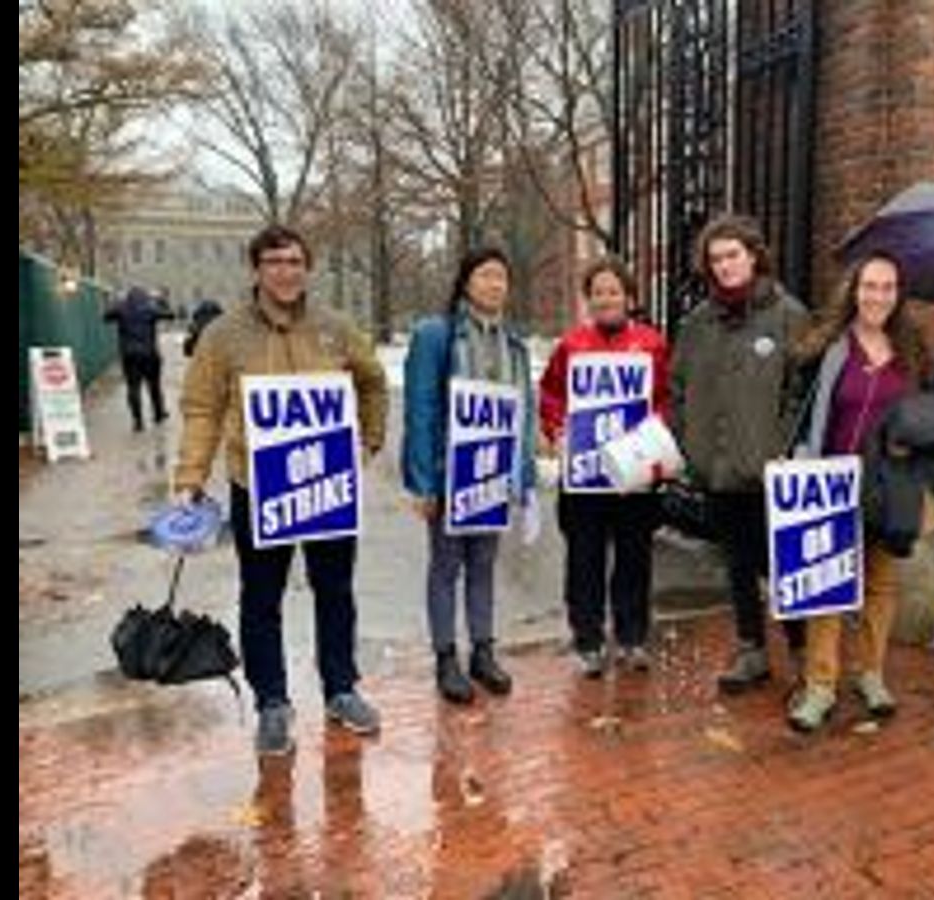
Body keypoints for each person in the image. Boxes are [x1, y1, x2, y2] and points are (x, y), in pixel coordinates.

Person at [172, 224, 390, 755]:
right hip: (259, 485)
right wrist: (189, 477)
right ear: (256, 269)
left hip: (327, 484)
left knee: (335, 591)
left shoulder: (335, 327)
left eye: (294, 261)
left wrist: (369, 439)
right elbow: (202, 408)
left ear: (306, 266)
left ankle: (341, 688)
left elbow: (372, 380)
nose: (286, 271)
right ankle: (272, 701)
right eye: (274, 262)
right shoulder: (223, 335)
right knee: (260, 597)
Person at [784, 252, 929, 731]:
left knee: (880, 585)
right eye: (870, 286)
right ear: (854, 290)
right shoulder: (832, 348)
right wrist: (802, 459)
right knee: (827, 587)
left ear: (898, 295)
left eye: (888, 288)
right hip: (833, 486)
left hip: (888, 487)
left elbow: (925, 415)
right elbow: (803, 411)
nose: (878, 296)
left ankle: (870, 673)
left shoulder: (911, 351)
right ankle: (820, 686)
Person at [669, 213, 811, 694]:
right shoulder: (697, 323)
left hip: (770, 472)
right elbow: (680, 388)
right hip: (718, 470)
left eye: (733, 255)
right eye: (716, 259)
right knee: (738, 563)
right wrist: (694, 450)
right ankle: (752, 649)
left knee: (785, 564)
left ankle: (801, 650)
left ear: (753, 255)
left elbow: (801, 391)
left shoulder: (787, 315)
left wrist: (780, 447)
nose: (725, 265)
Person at [402, 247, 538, 704]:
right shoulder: (436, 336)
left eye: (502, 277)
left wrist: (524, 474)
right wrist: (422, 481)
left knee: (483, 564)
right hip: (447, 473)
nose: (495, 285)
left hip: (492, 475)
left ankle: (483, 650)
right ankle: (445, 656)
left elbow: (524, 412)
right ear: (465, 282)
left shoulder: (514, 343)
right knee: (446, 566)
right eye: (485, 275)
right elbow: (420, 409)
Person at [538, 256, 671, 678]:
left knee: (634, 556)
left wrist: (656, 435)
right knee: (584, 558)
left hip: (634, 471)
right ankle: (588, 639)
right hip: (585, 475)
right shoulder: (572, 345)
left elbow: (667, 397)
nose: (606, 299)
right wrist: (556, 428)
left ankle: (632, 636)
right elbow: (551, 395)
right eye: (598, 293)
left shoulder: (652, 343)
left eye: (614, 291)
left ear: (629, 298)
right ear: (589, 301)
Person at [103, 285, 174, 431]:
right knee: (154, 385)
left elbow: (106, 316)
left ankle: (138, 421)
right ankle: (158, 414)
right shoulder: (150, 309)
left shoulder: (122, 309)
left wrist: (116, 301)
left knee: (133, 387)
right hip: (149, 354)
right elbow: (170, 315)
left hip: (129, 355)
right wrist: (162, 299)